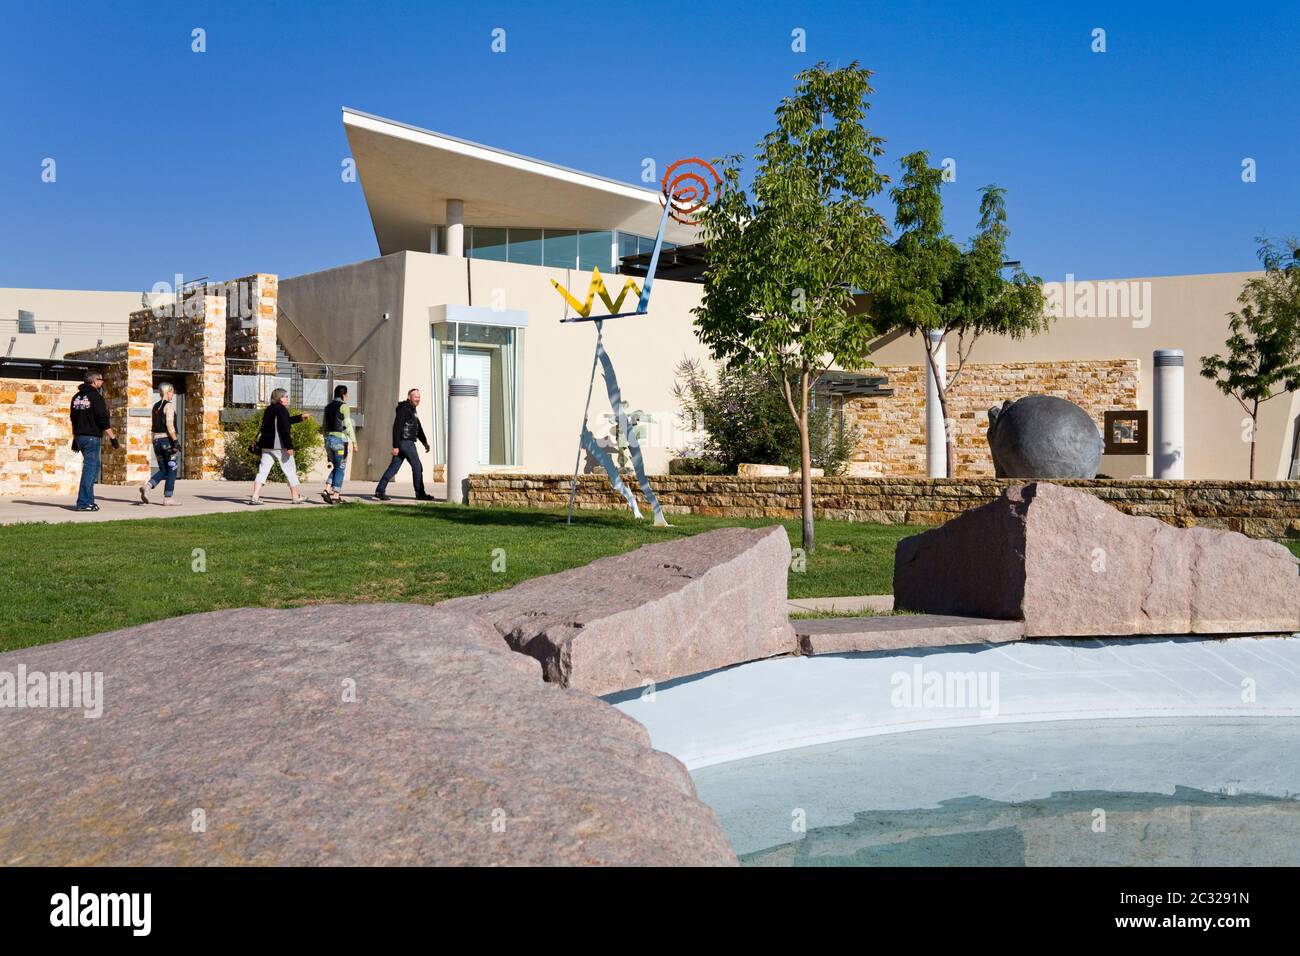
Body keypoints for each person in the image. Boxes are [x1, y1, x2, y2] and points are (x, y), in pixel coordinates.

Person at [248, 388, 311, 505]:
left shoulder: (269, 409)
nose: (287, 399)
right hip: (279, 446)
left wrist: (300, 417)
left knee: (263, 471)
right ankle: (295, 497)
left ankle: (255, 497)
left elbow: (284, 422)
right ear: (279, 398)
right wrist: (289, 447)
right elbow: (284, 429)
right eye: (285, 396)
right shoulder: (281, 410)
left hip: (266, 445)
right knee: (290, 470)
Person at [374, 387, 433, 501]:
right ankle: (420, 493)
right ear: (409, 397)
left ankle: (380, 490)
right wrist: (395, 446)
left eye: (419, 397)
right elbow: (397, 428)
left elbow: (418, 428)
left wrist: (424, 442)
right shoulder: (404, 410)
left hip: (405, 443)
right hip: (406, 443)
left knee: (393, 468)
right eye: (415, 397)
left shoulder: (412, 409)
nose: (418, 399)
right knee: (417, 467)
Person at [69, 370, 116, 512]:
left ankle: (89, 502)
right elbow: (102, 419)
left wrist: (75, 437)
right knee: (90, 469)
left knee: (92, 467)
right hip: (91, 438)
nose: (102, 383)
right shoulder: (96, 397)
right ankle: (83, 502)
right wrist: (113, 438)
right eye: (101, 380)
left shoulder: (76, 397)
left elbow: (74, 418)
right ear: (95, 381)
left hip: (80, 437)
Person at [139, 383, 180, 506]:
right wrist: (176, 442)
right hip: (166, 441)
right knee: (172, 468)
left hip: (156, 441)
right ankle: (168, 498)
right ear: (168, 392)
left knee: (163, 469)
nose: (173, 394)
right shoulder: (169, 406)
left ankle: (147, 487)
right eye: (172, 391)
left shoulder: (155, 406)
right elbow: (169, 425)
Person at [320, 384, 357, 504]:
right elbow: (348, 425)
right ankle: (336, 495)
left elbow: (324, 426)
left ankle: (326, 490)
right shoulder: (344, 406)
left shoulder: (327, 407)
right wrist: (354, 442)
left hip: (329, 440)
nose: (347, 397)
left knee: (336, 466)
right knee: (341, 467)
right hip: (339, 440)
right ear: (343, 395)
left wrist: (326, 441)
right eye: (347, 394)